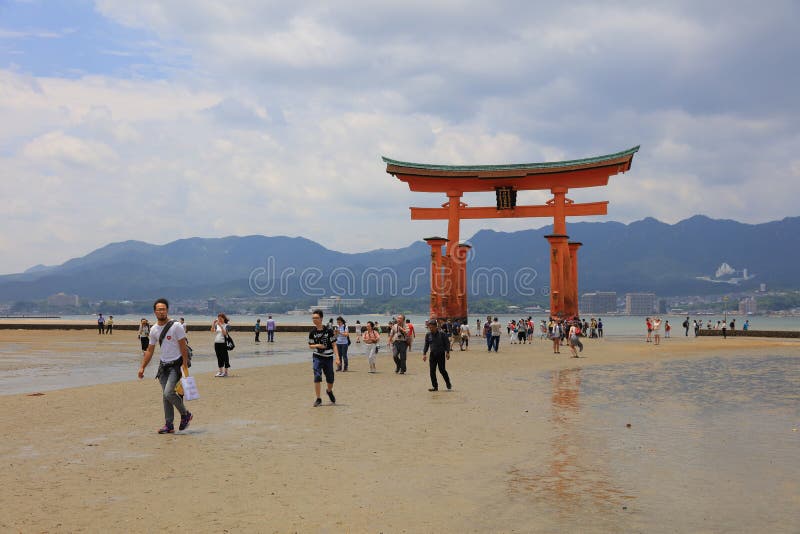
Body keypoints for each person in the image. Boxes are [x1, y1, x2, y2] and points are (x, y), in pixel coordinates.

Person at [137, 298, 192, 434]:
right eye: (158, 309)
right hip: (163, 366)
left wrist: (184, 365)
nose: (161, 311)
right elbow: (150, 350)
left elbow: (183, 346)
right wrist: (142, 366)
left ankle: (186, 414)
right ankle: (169, 425)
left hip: (176, 365)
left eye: (163, 309)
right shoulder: (154, 329)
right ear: (155, 312)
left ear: (167, 310)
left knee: (169, 393)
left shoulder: (176, 326)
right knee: (165, 395)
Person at [308, 309, 340, 407]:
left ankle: (329, 391)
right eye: (313, 318)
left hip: (328, 357)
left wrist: (337, 358)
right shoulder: (312, 332)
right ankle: (318, 398)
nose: (315, 320)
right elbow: (310, 345)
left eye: (316, 318)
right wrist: (318, 345)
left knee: (330, 378)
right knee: (317, 376)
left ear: (321, 318)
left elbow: (334, 345)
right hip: (317, 357)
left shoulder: (329, 331)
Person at [423, 319, 452, 391]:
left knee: (442, 370)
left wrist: (447, 352)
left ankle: (448, 382)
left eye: (432, 327)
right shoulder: (428, 335)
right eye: (429, 327)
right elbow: (426, 345)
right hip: (432, 355)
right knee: (432, 371)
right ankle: (435, 387)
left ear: (436, 326)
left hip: (441, 354)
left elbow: (447, 343)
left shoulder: (442, 334)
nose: (431, 329)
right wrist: (424, 354)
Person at [211, 313, 231, 377]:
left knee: (225, 357)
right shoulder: (217, 325)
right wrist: (214, 323)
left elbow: (225, 334)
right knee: (219, 357)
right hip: (216, 343)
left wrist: (221, 326)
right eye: (218, 319)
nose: (219, 320)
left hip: (223, 343)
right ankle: (220, 371)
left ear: (224, 318)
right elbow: (212, 331)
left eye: (221, 318)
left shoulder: (227, 325)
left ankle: (226, 372)